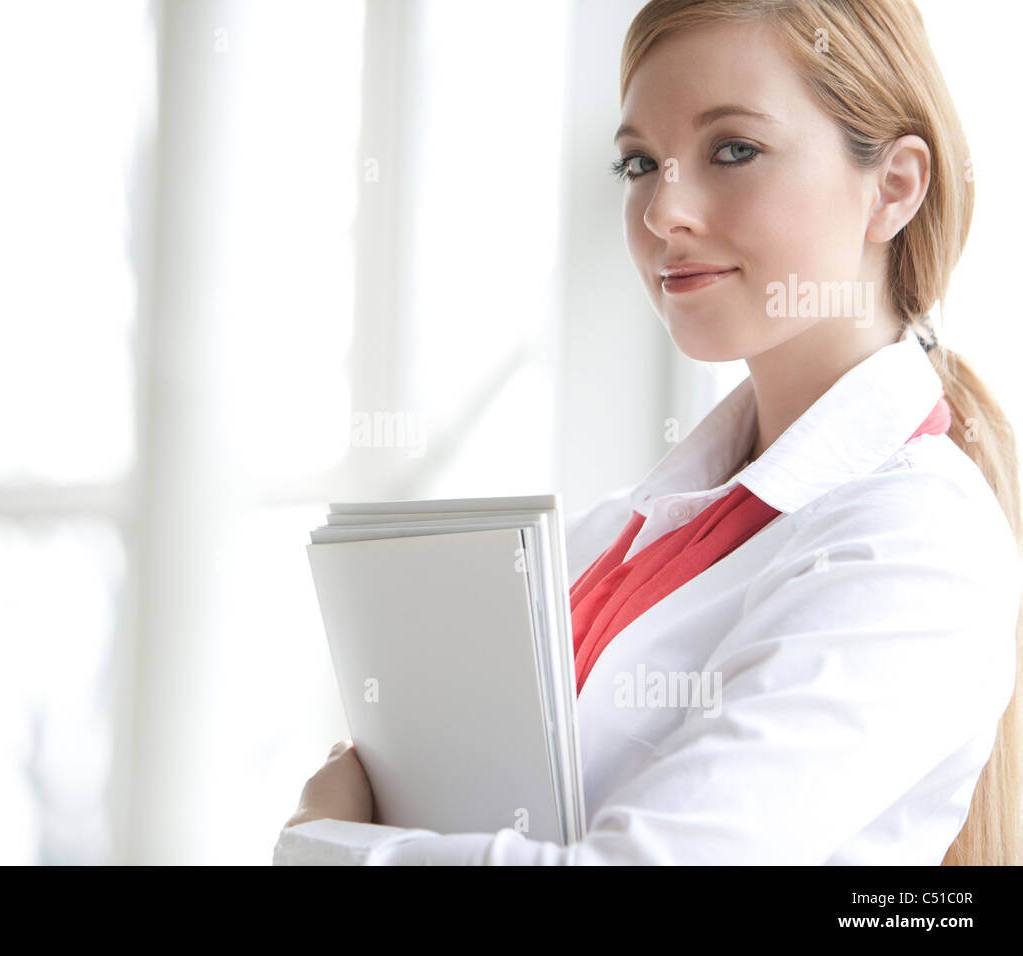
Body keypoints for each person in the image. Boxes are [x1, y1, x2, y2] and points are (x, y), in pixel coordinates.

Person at [274, 0, 1022, 865]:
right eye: (639, 163)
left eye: (733, 149)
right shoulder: (617, 536)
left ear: (893, 186)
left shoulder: (916, 545)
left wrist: (324, 847)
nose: (665, 211)